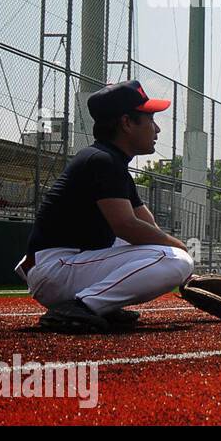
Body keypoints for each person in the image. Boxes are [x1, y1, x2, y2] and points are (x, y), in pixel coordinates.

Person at [18, 81, 195, 333]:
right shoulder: (101, 160)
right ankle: (83, 306)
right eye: (149, 120)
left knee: (171, 256)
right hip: (57, 268)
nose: (156, 129)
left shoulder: (112, 161)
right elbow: (126, 226)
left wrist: (188, 276)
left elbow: (147, 226)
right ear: (126, 123)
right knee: (175, 258)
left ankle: (99, 305)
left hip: (70, 264)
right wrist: (182, 252)